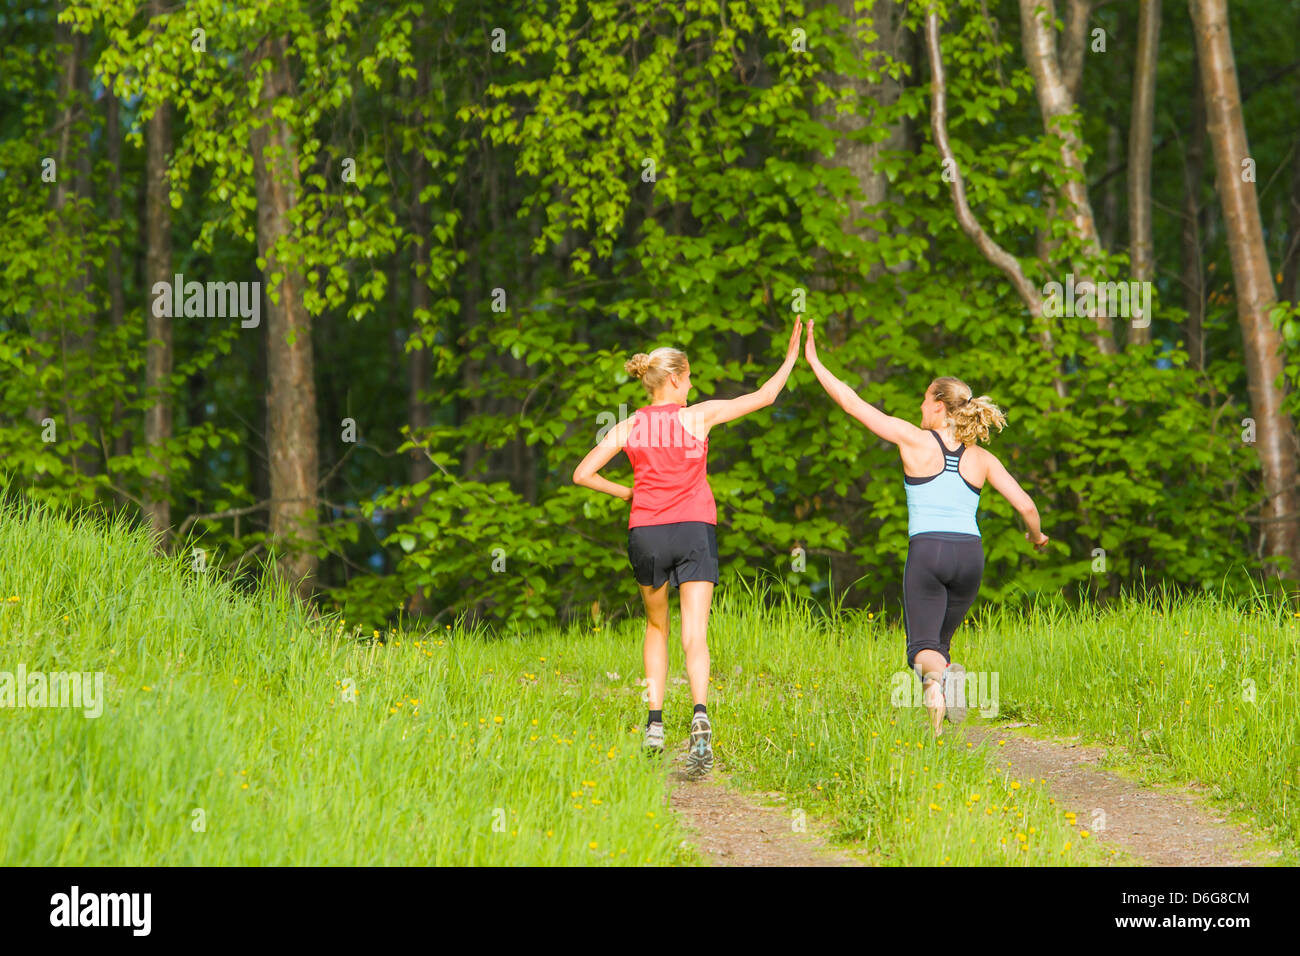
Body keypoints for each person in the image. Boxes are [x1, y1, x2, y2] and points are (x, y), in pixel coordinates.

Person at [573, 320, 802, 774]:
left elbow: (582, 474)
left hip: (647, 532)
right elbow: (764, 397)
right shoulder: (697, 416)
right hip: (695, 528)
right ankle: (700, 716)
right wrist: (792, 355)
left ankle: (655, 723)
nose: (693, 384)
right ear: (675, 379)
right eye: (690, 377)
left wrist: (628, 494)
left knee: (656, 628)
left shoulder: (630, 424)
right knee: (694, 632)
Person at [802, 319, 1049, 735]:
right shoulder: (981, 459)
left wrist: (814, 360)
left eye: (923, 401)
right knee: (940, 646)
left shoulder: (914, 441)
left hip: (928, 552)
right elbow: (1026, 504)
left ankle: (941, 693)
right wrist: (1036, 535)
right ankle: (938, 725)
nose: (919, 409)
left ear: (938, 405)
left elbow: (851, 402)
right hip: (969, 555)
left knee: (921, 650)